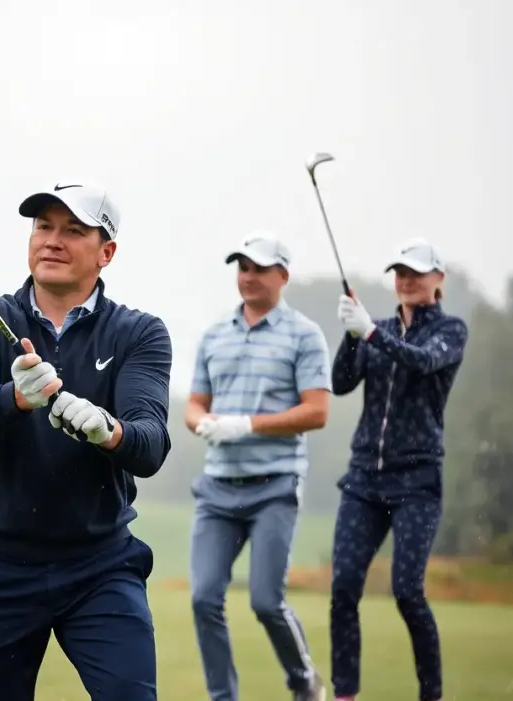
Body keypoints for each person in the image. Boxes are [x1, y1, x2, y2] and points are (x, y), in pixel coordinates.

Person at [0, 181, 172, 700]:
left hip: (100, 567)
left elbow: (150, 444)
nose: (52, 240)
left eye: (74, 230)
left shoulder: (139, 333)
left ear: (105, 252)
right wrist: (14, 399)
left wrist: (108, 431)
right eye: (43, 226)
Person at [184, 231, 330, 701]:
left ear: (282, 276)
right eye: (242, 267)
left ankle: (303, 681)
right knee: (204, 597)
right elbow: (194, 406)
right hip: (218, 488)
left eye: (258, 269)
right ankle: (222, 697)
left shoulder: (304, 335)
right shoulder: (214, 335)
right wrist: (204, 423)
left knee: (267, 601)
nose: (247, 277)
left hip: (274, 486)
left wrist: (247, 424)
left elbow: (316, 411)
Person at [328, 237, 467, 701]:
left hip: (417, 481)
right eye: (399, 272)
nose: (405, 280)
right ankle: (345, 693)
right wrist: (351, 338)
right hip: (364, 477)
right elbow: (342, 383)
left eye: (416, 272)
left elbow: (423, 362)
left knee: (407, 591)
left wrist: (369, 333)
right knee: (344, 585)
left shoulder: (450, 331)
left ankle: (431, 694)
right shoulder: (379, 327)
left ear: (437, 280)